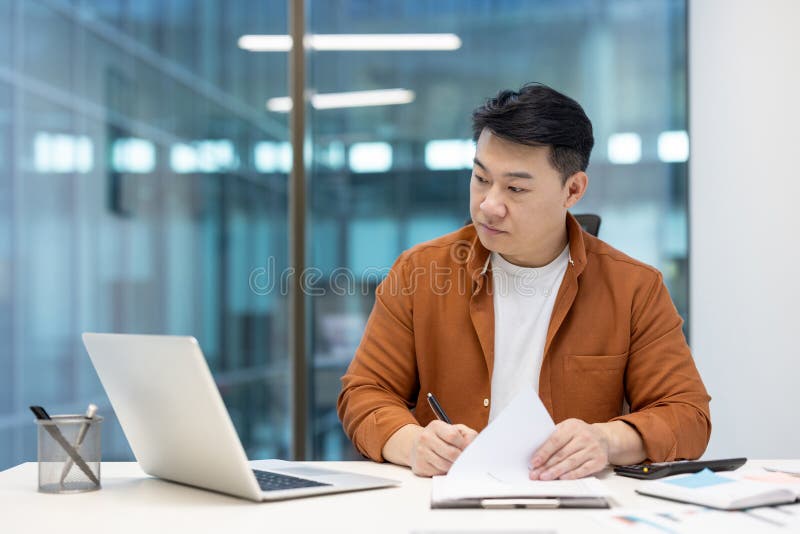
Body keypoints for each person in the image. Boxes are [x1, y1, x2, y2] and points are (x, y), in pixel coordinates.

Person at [337, 83, 711, 480]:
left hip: (574, 508)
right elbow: (364, 394)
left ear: (573, 190)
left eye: (515, 188)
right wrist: (412, 443)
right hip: (448, 505)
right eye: (481, 178)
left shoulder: (634, 288)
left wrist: (604, 440)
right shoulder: (419, 273)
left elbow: (687, 416)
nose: (489, 205)